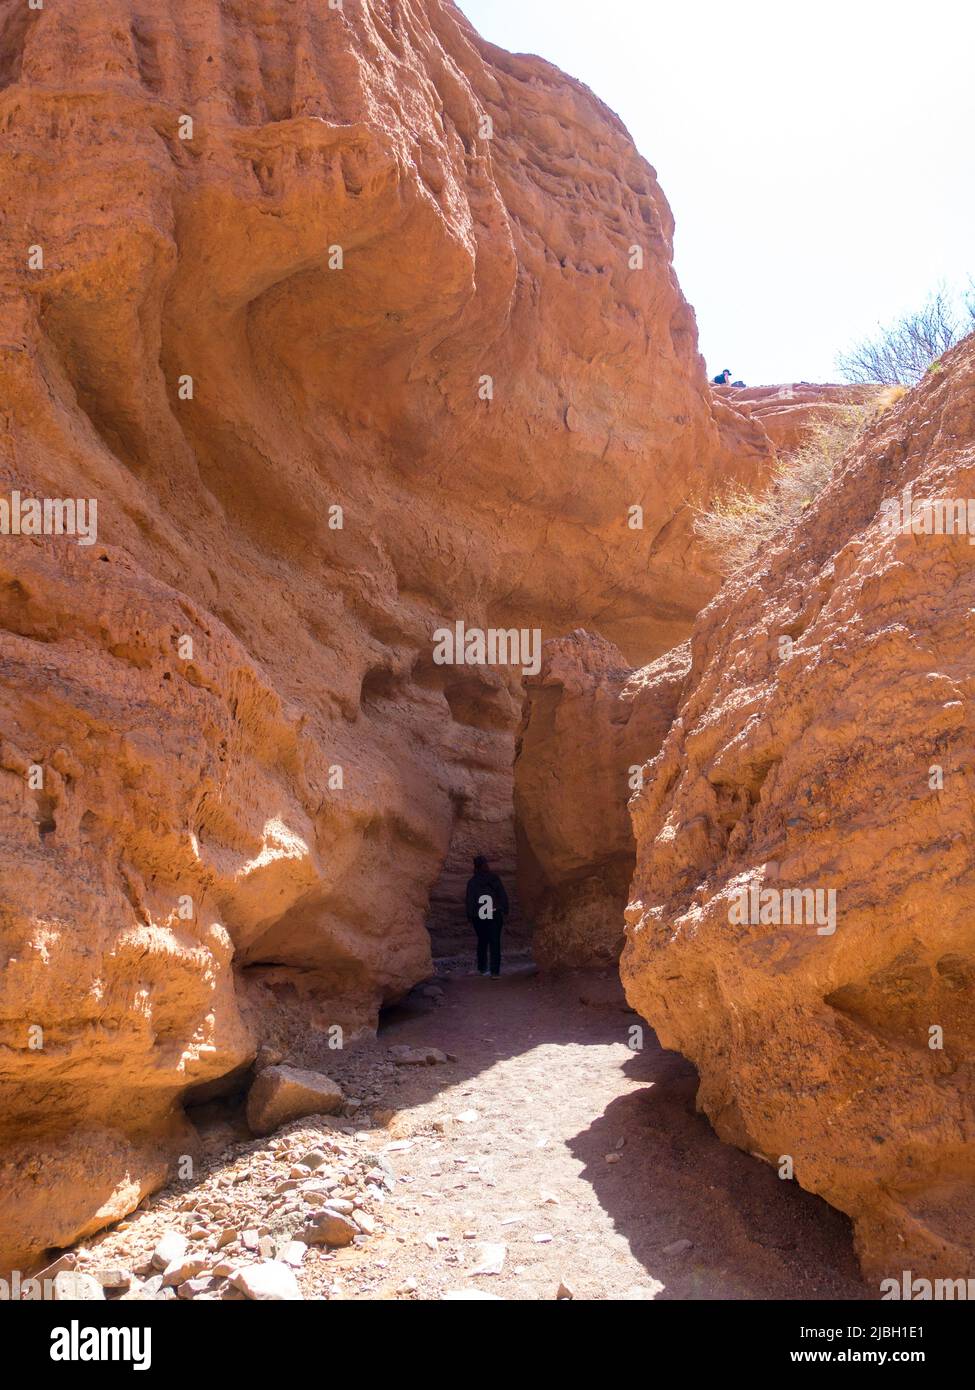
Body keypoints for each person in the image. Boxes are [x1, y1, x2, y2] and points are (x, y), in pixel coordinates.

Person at [465, 854, 509, 978]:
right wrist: (505, 909)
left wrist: (469, 916)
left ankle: (482, 968)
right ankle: (495, 972)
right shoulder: (494, 878)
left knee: (482, 941)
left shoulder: (473, 882)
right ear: (485, 865)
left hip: (480, 915)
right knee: (495, 942)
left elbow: (470, 900)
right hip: (494, 913)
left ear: (475, 867)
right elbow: (502, 894)